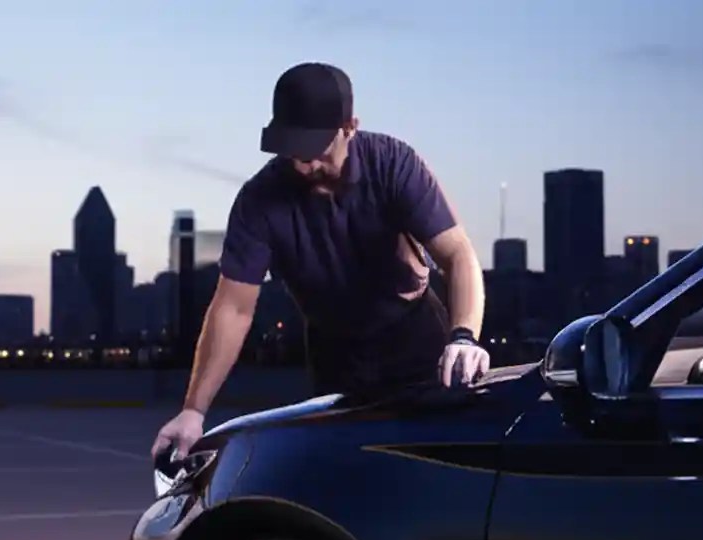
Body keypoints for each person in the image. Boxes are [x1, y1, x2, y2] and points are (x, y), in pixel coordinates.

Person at [151, 61, 488, 459]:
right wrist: (193, 410)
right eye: (293, 151)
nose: (304, 165)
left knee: (440, 464)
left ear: (350, 127)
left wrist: (463, 336)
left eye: (316, 150)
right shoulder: (259, 201)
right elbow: (233, 308)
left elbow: (457, 254)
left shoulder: (394, 164)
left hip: (416, 338)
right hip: (336, 354)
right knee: (343, 478)